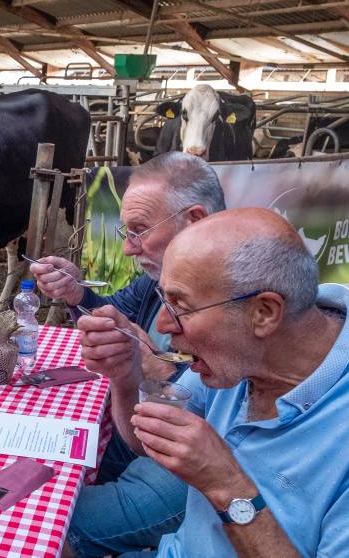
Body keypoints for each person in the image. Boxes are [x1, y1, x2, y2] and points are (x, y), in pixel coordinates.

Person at [79, 208, 349, 557]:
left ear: (264, 312)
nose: (163, 325)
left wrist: (227, 485)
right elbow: (149, 446)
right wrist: (126, 375)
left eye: (181, 307)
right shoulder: (241, 359)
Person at [31, 152, 223, 557]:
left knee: (49, 525)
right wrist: (76, 293)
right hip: (158, 447)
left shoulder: (234, 298)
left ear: (195, 220)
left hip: (194, 469)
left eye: (139, 230)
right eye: (126, 233)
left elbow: (212, 422)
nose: (128, 250)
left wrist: (158, 369)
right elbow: (113, 313)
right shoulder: (161, 279)